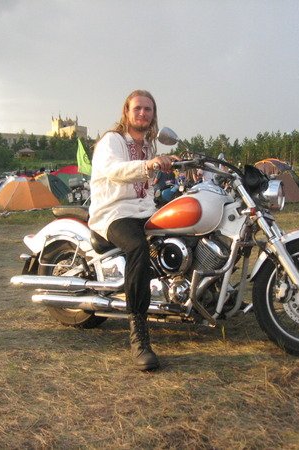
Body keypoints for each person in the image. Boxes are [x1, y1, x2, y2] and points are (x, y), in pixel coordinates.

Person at [88, 89, 177, 371]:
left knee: (179, 235)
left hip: (143, 211)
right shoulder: (112, 140)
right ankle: (139, 333)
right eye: (137, 108)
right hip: (113, 212)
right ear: (126, 112)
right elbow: (114, 170)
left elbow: (146, 187)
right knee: (138, 247)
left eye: (148, 109)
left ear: (153, 115)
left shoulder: (149, 145)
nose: (142, 113)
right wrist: (148, 164)